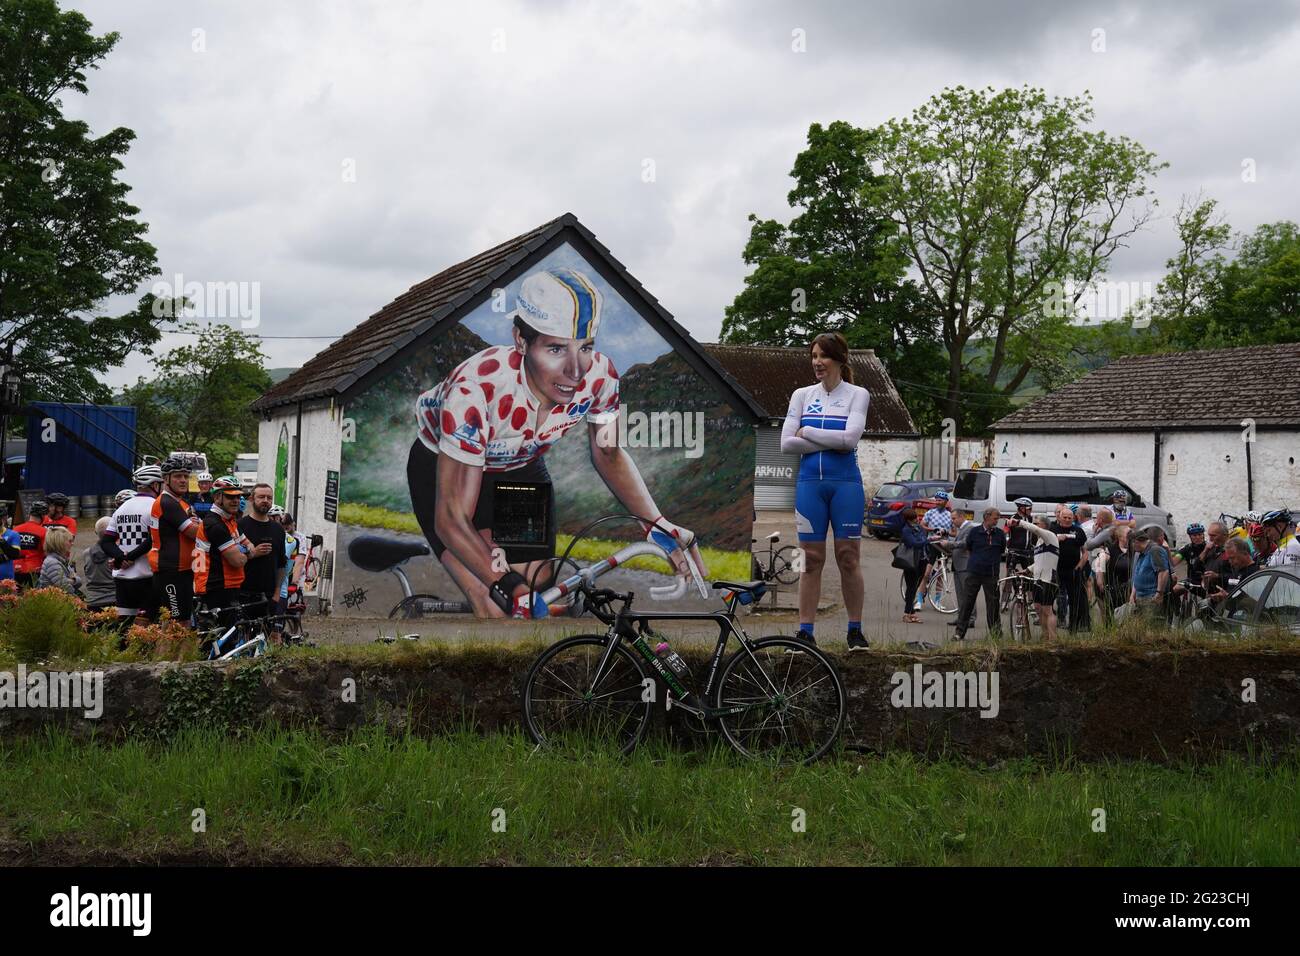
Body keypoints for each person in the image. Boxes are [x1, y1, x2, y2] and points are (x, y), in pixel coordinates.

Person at [409, 267, 706, 620]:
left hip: (520, 467)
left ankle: (542, 614)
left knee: (537, 581)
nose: (575, 371)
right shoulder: (476, 392)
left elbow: (608, 452)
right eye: (555, 348)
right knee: (500, 603)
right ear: (521, 340)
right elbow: (452, 519)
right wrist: (505, 587)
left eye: (585, 348)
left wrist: (656, 525)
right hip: (448, 466)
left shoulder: (600, 376)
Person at [781, 331, 872, 650]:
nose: (817, 362)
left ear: (839, 359)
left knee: (848, 557)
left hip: (845, 484)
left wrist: (807, 431)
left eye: (823, 356)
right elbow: (785, 443)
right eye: (813, 356)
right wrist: (826, 438)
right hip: (810, 485)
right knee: (809, 558)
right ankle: (805, 631)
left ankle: (855, 631)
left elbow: (850, 441)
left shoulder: (857, 394)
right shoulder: (801, 394)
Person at [101, 464, 164, 630]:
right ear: (155, 485)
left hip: (122, 577)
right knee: (146, 627)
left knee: (124, 627)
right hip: (146, 576)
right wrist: (130, 557)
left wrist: (121, 557)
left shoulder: (122, 508)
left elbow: (106, 542)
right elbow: (152, 539)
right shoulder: (155, 506)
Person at [193, 476, 256, 628]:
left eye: (238, 496)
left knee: (230, 634)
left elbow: (252, 547)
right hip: (216, 586)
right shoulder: (215, 524)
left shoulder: (230, 521)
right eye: (230, 496)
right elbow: (238, 561)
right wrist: (245, 551)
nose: (236, 500)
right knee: (221, 638)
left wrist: (243, 551)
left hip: (229, 585)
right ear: (217, 497)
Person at [149, 455, 200, 625]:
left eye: (186, 476)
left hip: (183, 570)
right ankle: (165, 653)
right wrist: (202, 525)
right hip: (171, 571)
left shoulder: (181, 503)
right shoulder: (167, 502)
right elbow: (194, 532)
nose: (183, 480)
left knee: (183, 623)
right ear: (165, 479)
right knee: (174, 626)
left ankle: (179, 653)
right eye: (178, 476)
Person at [238, 483, 286, 634]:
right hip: (243, 593)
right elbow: (231, 558)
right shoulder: (240, 526)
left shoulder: (278, 529)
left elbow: (281, 564)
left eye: (269, 498)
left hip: (269, 596)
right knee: (243, 638)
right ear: (252, 499)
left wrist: (277, 593)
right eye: (261, 497)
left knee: (266, 638)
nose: (265, 500)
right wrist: (253, 554)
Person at [953, 508, 1006, 641]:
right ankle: (959, 632)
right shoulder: (974, 532)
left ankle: (996, 634)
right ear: (987, 517)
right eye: (995, 518)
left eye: (998, 518)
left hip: (992, 574)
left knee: (993, 605)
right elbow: (969, 546)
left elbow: (1002, 549)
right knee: (967, 603)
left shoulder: (999, 534)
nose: (997, 520)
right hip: (974, 572)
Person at [1017, 516, 1061, 640]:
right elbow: (1039, 562)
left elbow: (1035, 529)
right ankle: (1045, 635)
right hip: (1038, 579)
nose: (1035, 525)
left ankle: (1053, 638)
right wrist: (1027, 570)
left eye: (1037, 523)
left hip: (1049, 579)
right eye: (1034, 523)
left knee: (1048, 609)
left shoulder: (1050, 536)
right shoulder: (1039, 542)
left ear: (1044, 525)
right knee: (1038, 608)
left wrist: (1019, 522)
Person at [1051, 504, 1090, 632]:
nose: (1067, 519)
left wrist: (1079, 566)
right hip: (1057, 570)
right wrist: (1057, 539)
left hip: (1073, 570)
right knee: (1055, 598)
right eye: (1065, 517)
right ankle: (1056, 624)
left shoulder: (1078, 531)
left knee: (1075, 600)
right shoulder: (1053, 529)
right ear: (1059, 517)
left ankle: (1073, 628)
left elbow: (1085, 552)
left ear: (1073, 518)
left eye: (1069, 517)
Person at [940, 510, 976, 630]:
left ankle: (970, 618)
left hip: (965, 565)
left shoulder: (969, 528)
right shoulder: (961, 528)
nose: (952, 521)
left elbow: (965, 543)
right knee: (960, 594)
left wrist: (949, 544)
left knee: (968, 593)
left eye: (954, 518)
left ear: (961, 517)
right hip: (958, 564)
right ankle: (961, 617)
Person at [1127, 528, 1171, 620]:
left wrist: (1159, 593)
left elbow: (1163, 572)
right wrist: (1133, 594)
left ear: (1136, 542)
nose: (1131, 546)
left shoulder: (1155, 550)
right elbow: (1137, 573)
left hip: (1151, 598)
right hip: (1140, 597)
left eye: (1131, 543)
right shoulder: (1142, 553)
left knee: (1152, 628)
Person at [1208, 538, 1260, 607]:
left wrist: (1228, 597)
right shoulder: (1237, 570)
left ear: (1245, 554)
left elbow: (1253, 602)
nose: (1230, 562)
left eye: (1232, 558)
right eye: (1229, 558)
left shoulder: (1255, 574)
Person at [898, 508, 929, 625]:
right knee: (911, 587)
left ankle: (911, 613)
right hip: (911, 562)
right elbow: (913, 544)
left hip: (922, 560)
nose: (917, 519)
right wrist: (928, 541)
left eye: (916, 517)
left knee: (914, 587)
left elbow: (923, 539)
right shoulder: (906, 530)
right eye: (914, 518)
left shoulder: (919, 528)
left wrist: (927, 540)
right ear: (908, 520)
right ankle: (907, 614)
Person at [36, 526, 83, 597]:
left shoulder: (61, 560)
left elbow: (78, 581)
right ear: (60, 543)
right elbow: (66, 588)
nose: (72, 544)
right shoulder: (52, 563)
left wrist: (72, 580)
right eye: (70, 541)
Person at [82, 516, 117, 610]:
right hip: (114, 600)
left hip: (92, 601)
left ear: (96, 533)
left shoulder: (86, 553)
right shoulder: (118, 553)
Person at [13, 499, 50, 589]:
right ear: (42, 515)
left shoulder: (16, 529)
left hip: (15, 569)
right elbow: (47, 553)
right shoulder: (44, 532)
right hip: (34, 570)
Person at [0, 503, 21, 582]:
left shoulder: (13, 534)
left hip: (6, 580)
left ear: (4, 519)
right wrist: (5, 557)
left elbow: (15, 554)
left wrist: (2, 541)